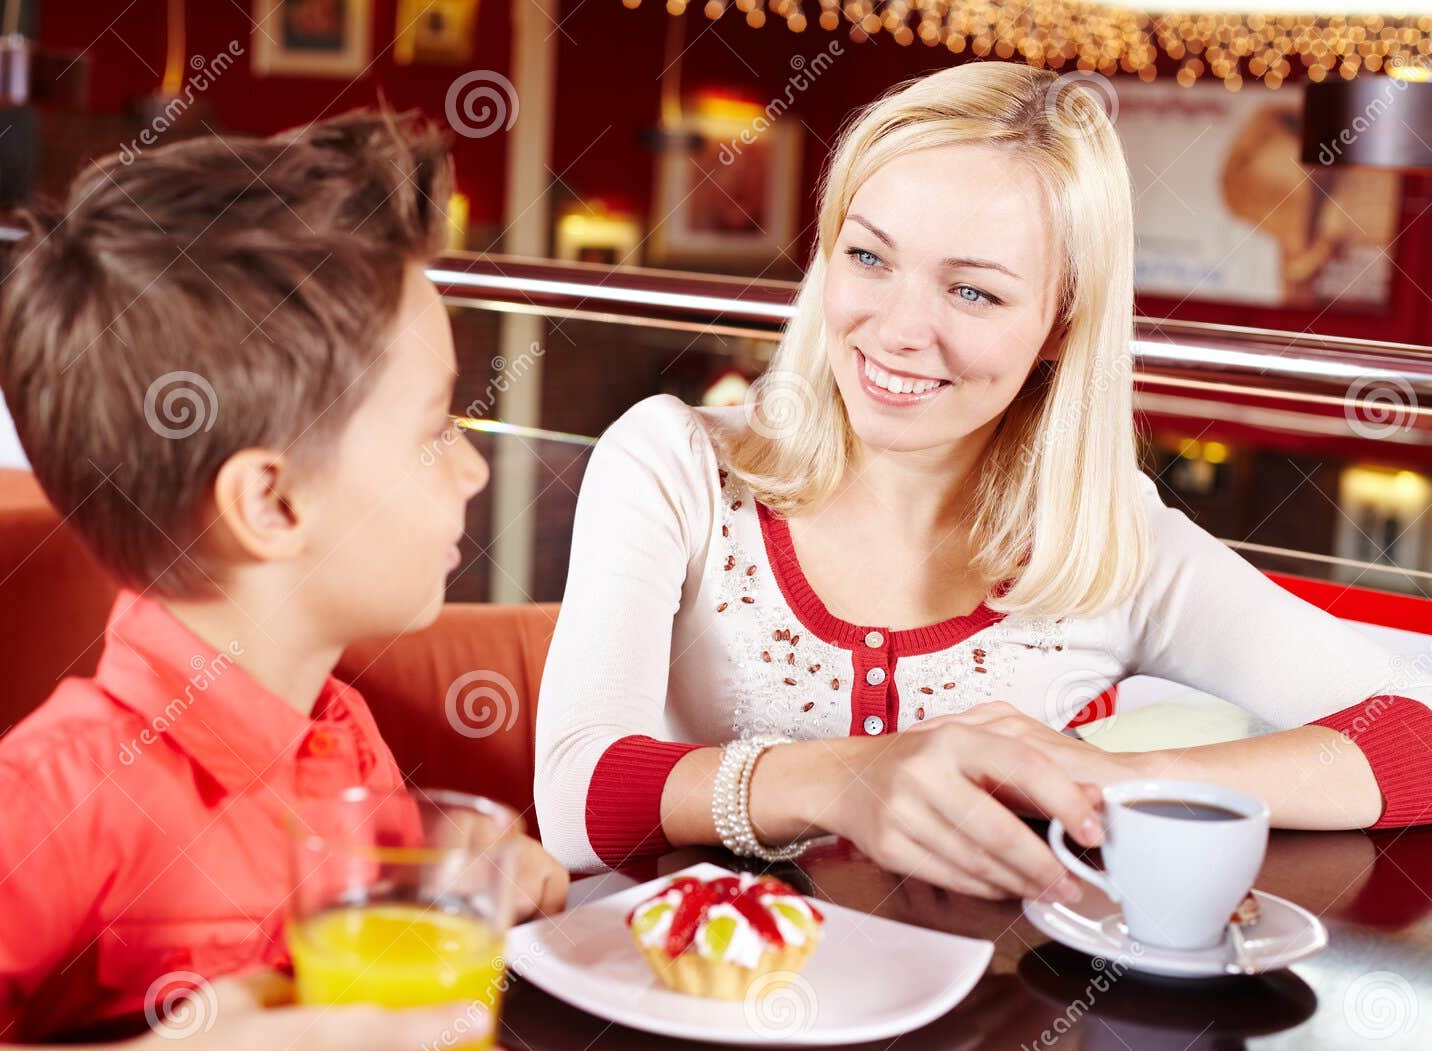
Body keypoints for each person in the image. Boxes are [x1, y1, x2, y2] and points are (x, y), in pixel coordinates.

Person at [535, 62, 1432, 900]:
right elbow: (577, 795)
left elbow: (1417, 729)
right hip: (685, 1028)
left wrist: (1112, 777)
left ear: (1057, 326)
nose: (897, 330)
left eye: (974, 293)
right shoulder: (674, 462)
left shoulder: (1113, 537)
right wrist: (849, 781)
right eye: (869, 257)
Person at [0, 109, 566, 1051]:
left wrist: (449, 888)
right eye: (436, 428)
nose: (471, 470)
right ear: (270, 501)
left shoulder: (340, 741)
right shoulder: (56, 800)